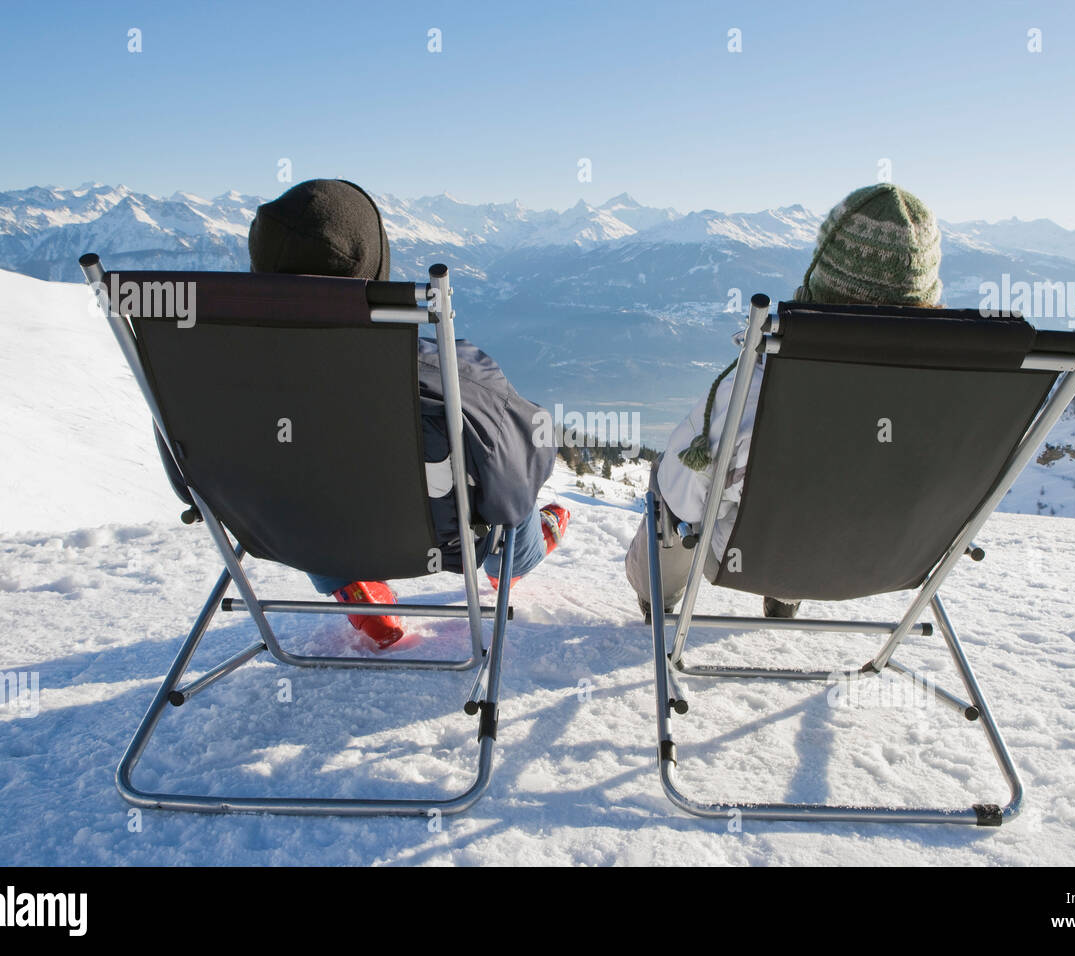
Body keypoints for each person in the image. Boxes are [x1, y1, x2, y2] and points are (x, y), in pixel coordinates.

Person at [248, 179, 569, 649]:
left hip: (298, 531)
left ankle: (352, 583)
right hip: (443, 539)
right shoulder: (443, 372)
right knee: (507, 471)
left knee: (306, 485)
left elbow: (190, 472)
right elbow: (522, 451)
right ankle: (513, 563)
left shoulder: (216, 378)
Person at [624, 183, 943, 621]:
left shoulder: (767, 383)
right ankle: (788, 595)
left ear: (822, 278)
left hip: (756, 556)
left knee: (669, 483)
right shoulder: (957, 389)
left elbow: (686, 494)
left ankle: (656, 597)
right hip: (894, 561)